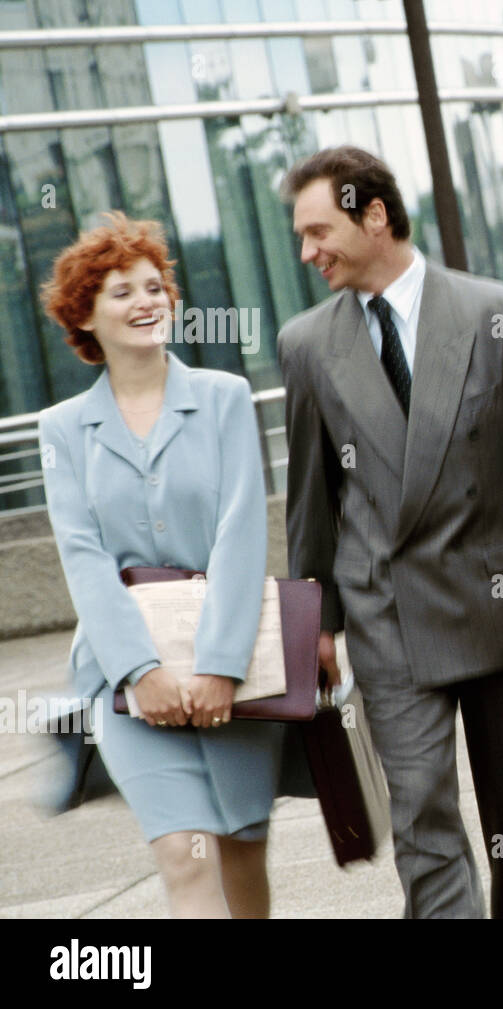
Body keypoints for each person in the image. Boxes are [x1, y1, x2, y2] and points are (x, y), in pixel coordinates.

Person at [277, 146, 503, 919]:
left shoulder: (501, 313)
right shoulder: (307, 345)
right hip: (386, 616)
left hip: (501, 605)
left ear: (375, 215)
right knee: (422, 820)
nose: (306, 253)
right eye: (298, 236)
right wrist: (319, 624)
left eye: (317, 231)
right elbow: (312, 498)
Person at [38, 213, 279, 918]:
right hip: (128, 685)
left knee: (239, 847)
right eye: (122, 291)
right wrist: (141, 671)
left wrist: (220, 664)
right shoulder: (61, 431)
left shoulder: (226, 399)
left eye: (155, 286)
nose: (147, 301)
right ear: (84, 313)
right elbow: (81, 556)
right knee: (183, 852)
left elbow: (242, 530)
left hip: (231, 673)